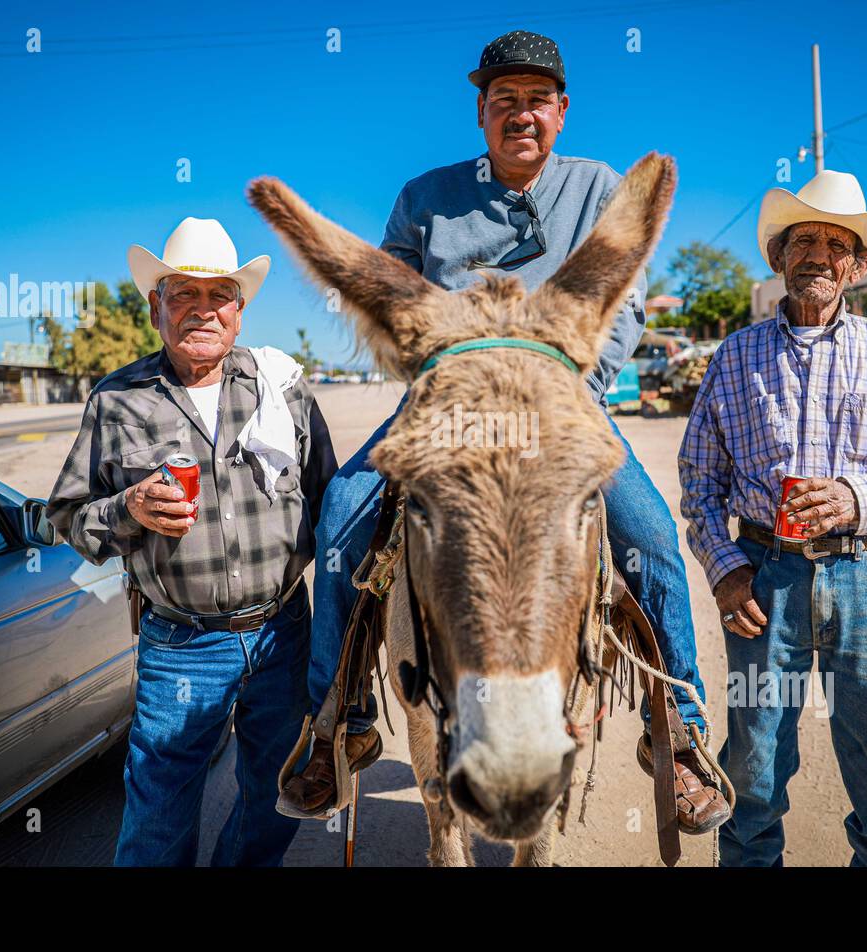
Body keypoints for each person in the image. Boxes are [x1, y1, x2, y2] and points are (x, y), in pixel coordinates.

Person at [278, 30, 730, 836]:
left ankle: (680, 729)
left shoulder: (596, 186)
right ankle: (334, 721)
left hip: (563, 396)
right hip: (449, 399)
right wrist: (442, 382)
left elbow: (618, 307)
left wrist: (563, 390)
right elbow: (390, 307)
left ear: (561, 112)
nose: (521, 114)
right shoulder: (425, 196)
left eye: (536, 100)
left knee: (652, 534)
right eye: (503, 100)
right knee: (344, 513)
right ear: (483, 113)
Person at [679, 170, 867, 866]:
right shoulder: (735, 355)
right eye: (801, 238)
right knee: (752, 760)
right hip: (764, 580)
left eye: (835, 242)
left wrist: (859, 498)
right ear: (778, 256)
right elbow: (698, 483)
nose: (817, 253)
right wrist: (725, 573)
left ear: (857, 264)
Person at [48, 217, 337, 866]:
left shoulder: (281, 388)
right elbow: (63, 517)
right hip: (180, 645)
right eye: (183, 294)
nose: (203, 311)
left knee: (276, 799)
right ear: (157, 308)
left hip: (281, 634)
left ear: (240, 310)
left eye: (219, 296)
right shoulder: (117, 400)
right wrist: (127, 508)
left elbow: (331, 505)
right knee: (157, 822)